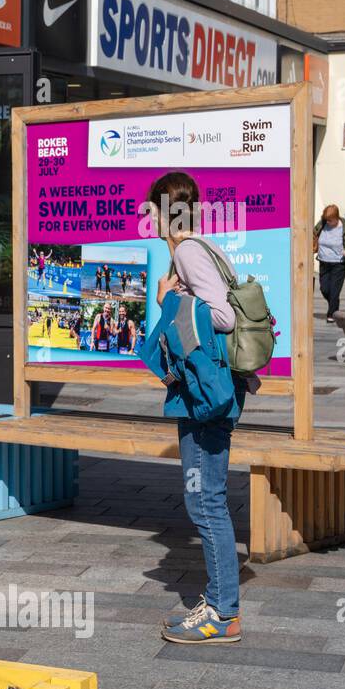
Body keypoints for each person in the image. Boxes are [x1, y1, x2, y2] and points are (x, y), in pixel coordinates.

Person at [149, 171, 246, 645]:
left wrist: (172, 301)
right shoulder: (203, 246)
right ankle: (216, 601)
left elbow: (223, 316)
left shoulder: (188, 251)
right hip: (208, 390)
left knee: (205, 501)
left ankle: (223, 614)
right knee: (204, 498)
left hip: (209, 393)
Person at [313, 205, 345, 322]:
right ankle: (335, 304)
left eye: (330, 220)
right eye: (326, 220)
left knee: (334, 290)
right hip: (324, 262)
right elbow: (313, 234)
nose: (328, 222)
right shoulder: (322, 224)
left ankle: (332, 314)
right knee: (324, 289)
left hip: (339, 264)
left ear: (336, 217)